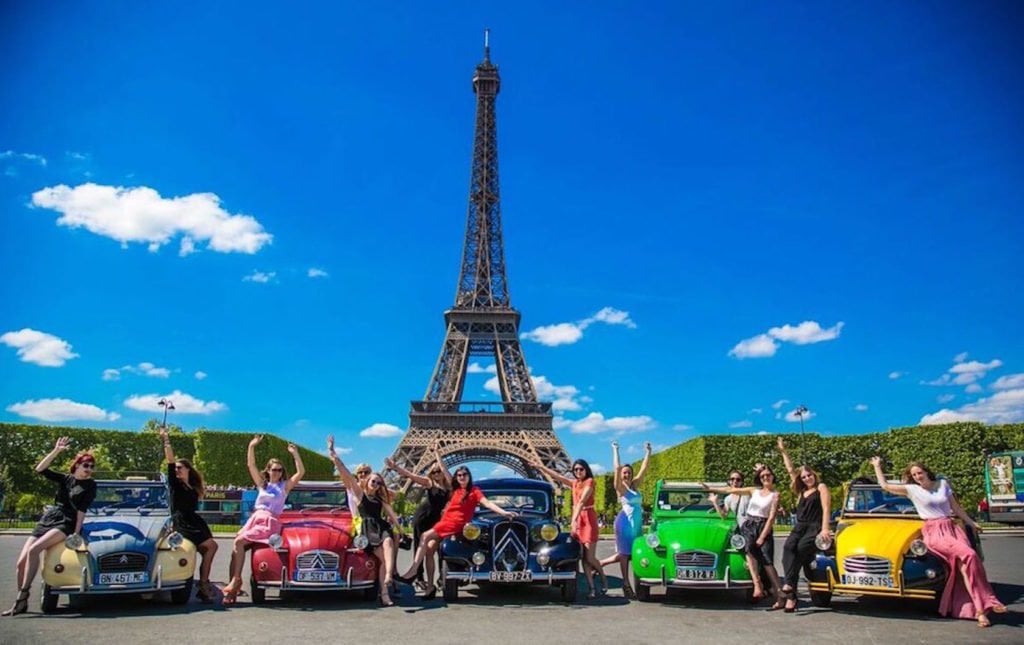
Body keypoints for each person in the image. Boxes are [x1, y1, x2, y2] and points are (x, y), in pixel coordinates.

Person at [870, 456, 1006, 627]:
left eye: (920, 472)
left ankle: (980, 612)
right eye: (914, 474)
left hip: (952, 528)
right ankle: (990, 600)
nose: (918, 476)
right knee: (970, 554)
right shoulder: (912, 489)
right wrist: (877, 466)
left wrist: (971, 523)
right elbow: (885, 486)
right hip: (934, 532)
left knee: (965, 567)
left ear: (926, 471)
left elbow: (956, 508)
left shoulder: (943, 484)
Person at [3, 437, 96, 617]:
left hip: (66, 522)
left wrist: (76, 533)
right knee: (20, 563)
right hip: (49, 518)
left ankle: (23, 595)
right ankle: (21, 599)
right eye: (86, 465)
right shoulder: (65, 479)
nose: (89, 469)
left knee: (34, 550)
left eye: (92, 466)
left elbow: (82, 511)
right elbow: (40, 469)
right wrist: (56, 450)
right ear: (77, 465)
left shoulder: (91, 485)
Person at [395, 465, 516, 599]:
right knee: (429, 550)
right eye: (459, 475)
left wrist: (504, 512)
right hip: (445, 522)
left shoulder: (474, 491)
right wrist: (437, 455)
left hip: (454, 524)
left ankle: (413, 571)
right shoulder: (455, 490)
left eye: (464, 474)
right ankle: (430, 587)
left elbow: (487, 503)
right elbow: (446, 472)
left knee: (425, 535)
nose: (462, 477)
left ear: (469, 476)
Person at [221, 435, 304, 604]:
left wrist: (295, 453)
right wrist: (252, 446)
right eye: (274, 470)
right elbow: (251, 465)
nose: (277, 473)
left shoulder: (284, 486)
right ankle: (233, 588)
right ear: (268, 471)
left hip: (269, 521)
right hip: (255, 519)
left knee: (239, 543)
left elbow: (301, 472)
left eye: (280, 470)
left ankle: (235, 581)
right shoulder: (262, 485)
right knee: (235, 548)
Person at [328, 437, 401, 606]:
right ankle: (387, 587)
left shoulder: (380, 496)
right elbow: (345, 472)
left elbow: (392, 508)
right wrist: (333, 454)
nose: (365, 476)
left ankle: (389, 578)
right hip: (364, 525)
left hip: (379, 525)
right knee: (383, 554)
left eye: (368, 474)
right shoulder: (357, 492)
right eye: (362, 473)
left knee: (390, 540)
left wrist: (400, 529)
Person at [703, 465, 785, 609]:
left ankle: (780, 595)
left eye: (768, 475)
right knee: (749, 554)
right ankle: (757, 585)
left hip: (763, 525)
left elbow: (772, 517)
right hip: (749, 525)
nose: (765, 477)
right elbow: (729, 493)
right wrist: (711, 491)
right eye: (762, 476)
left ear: (773, 477)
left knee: (767, 563)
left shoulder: (775, 494)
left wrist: (763, 536)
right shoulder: (753, 491)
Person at [533, 458, 608, 599]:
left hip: (587, 519)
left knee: (589, 557)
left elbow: (581, 502)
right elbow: (558, 477)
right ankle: (592, 588)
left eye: (581, 469)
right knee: (583, 559)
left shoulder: (590, 482)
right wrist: (541, 467)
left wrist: (573, 520)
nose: (578, 472)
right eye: (575, 470)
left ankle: (603, 579)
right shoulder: (574, 483)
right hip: (578, 519)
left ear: (586, 469)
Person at [159, 427, 218, 602]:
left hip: (194, 520)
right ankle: (203, 584)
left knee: (211, 547)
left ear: (187, 470)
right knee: (208, 547)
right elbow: (170, 461)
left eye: (180, 468)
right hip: (182, 521)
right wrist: (166, 440)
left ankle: (204, 582)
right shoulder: (175, 485)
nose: (176, 470)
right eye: (175, 468)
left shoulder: (192, 486)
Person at [777, 436, 830, 612]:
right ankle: (792, 591)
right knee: (787, 549)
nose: (807, 478)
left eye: (809, 475)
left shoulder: (821, 487)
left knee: (800, 550)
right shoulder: (801, 491)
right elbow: (790, 469)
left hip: (814, 526)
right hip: (799, 525)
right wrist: (784, 451)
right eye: (804, 477)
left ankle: (790, 591)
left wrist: (824, 529)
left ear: (814, 475)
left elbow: (826, 507)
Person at [385, 452, 451, 592]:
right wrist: (396, 466)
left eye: (438, 471)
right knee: (420, 546)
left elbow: (445, 470)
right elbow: (411, 476)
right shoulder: (429, 482)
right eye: (433, 472)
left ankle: (442, 576)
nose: (436, 473)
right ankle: (419, 577)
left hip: (437, 521)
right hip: (422, 517)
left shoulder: (449, 486)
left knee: (440, 548)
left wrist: (439, 458)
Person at [598, 441, 651, 599]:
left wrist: (648, 451)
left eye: (629, 472)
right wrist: (615, 449)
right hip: (624, 524)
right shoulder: (620, 488)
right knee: (624, 555)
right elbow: (616, 467)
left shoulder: (635, 485)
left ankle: (598, 564)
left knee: (628, 553)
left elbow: (644, 469)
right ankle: (626, 584)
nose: (626, 475)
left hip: (636, 524)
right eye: (624, 473)